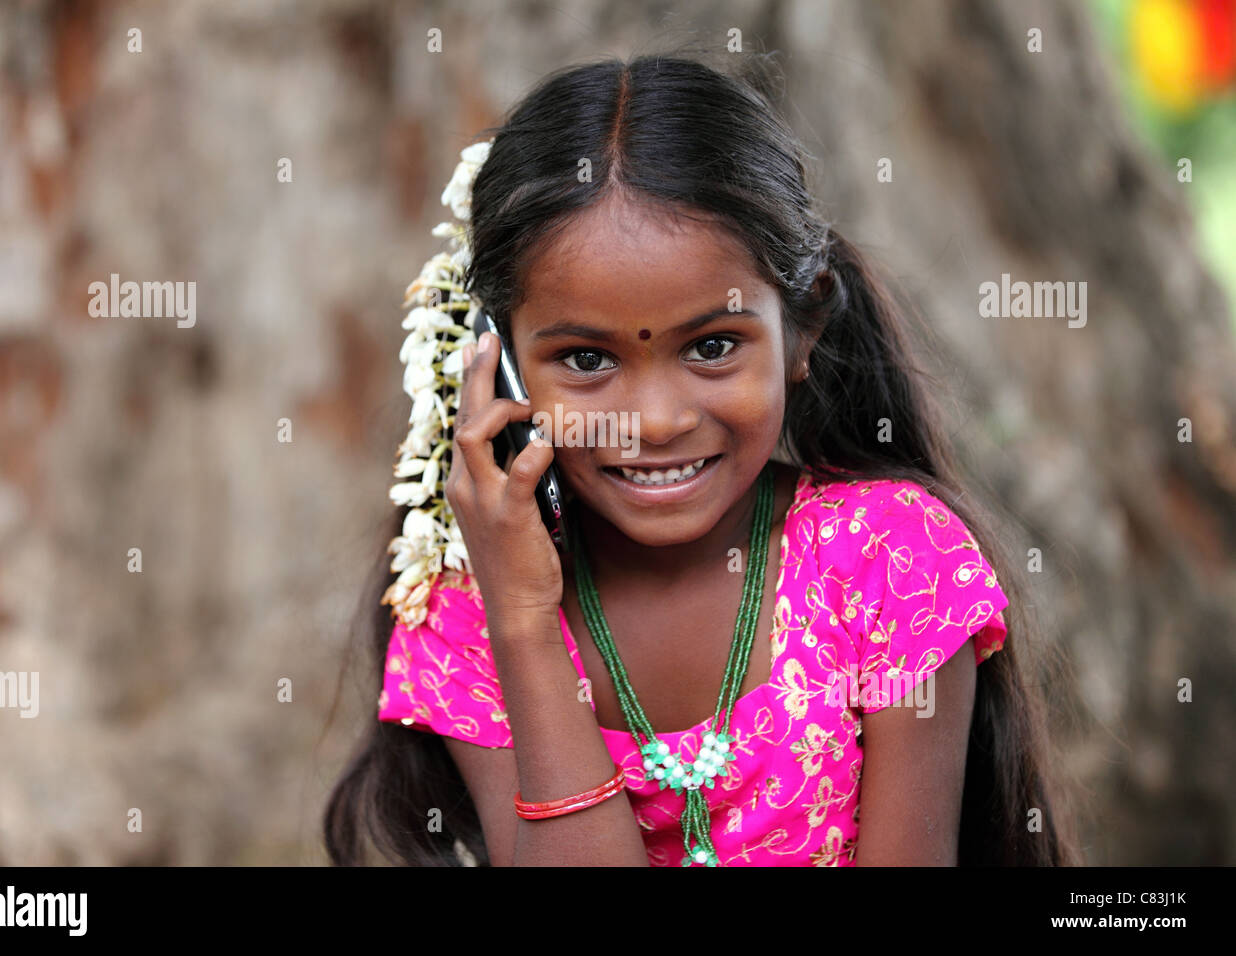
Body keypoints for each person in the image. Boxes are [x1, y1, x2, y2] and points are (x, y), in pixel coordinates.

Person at [324, 51, 1080, 867]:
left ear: (801, 333)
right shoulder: (468, 614)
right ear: (495, 369)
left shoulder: (890, 562)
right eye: (585, 359)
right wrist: (523, 623)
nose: (656, 421)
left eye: (713, 346)